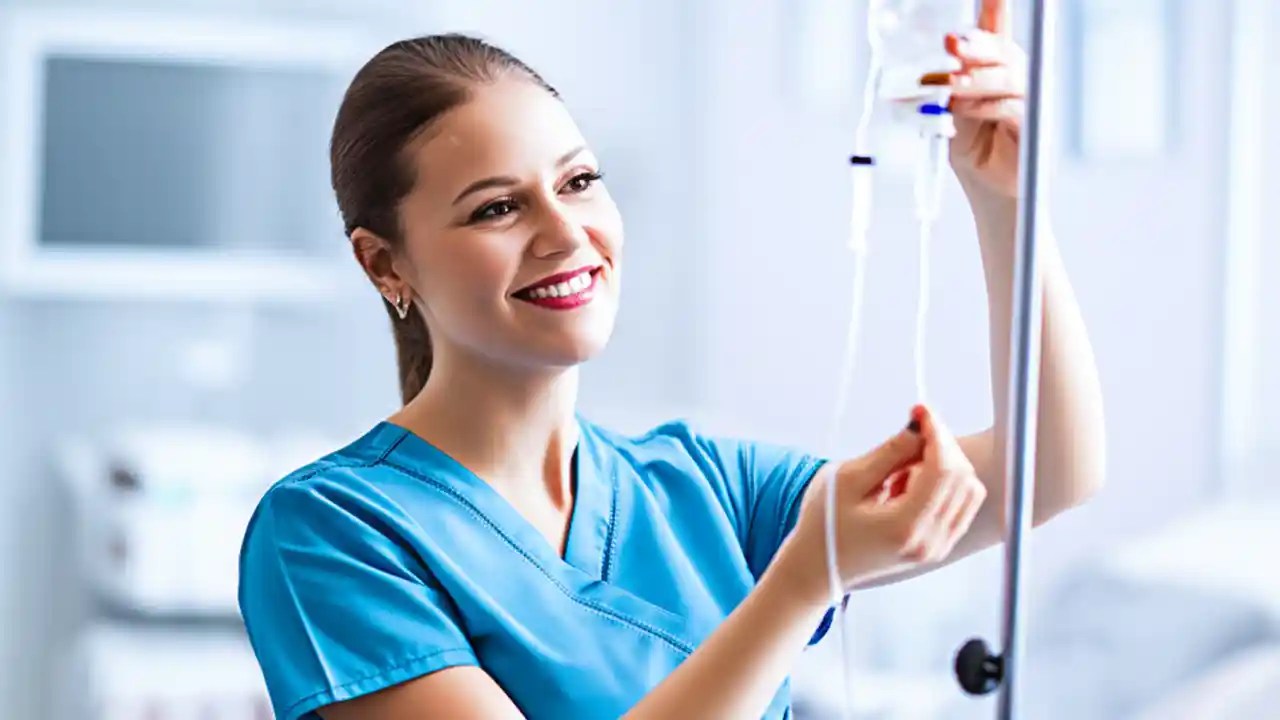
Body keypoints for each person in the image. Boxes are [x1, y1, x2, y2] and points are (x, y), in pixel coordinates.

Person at [237, 2, 1105, 718]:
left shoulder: (702, 488)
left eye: (579, 182)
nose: (567, 233)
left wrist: (1008, 208)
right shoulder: (332, 534)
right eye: (498, 208)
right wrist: (801, 582)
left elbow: (1050, 473)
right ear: (384, 262)